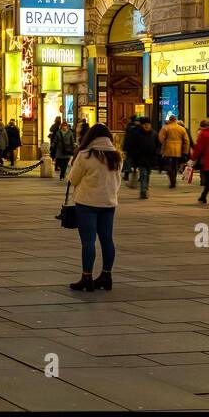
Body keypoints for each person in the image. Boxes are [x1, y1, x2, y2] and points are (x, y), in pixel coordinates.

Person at [67, 124, 121, 292]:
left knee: (88, 241)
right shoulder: (116, 156)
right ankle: (106, 275)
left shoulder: (85, 155)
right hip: (108, 203)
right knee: (107, 240)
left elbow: (73, 179)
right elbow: (117, 181)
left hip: (87, 203)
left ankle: (87, 277)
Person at [123, 116, 159, 200]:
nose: (146, 126)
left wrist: (157, 154)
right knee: (143, 174)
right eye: (145, 124)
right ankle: (143, 191)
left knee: (148, 174)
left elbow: (158, 145)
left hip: (150, 158)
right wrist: (134, 155)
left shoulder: (154, 134)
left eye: (148, 124)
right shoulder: (137, 133)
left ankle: (145, 187)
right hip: (141, 157)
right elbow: (131, 145)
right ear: (142, 125)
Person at [159, 115, 190, 188]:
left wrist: (164, 143)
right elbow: (186, 140)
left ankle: (171, 179)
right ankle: (174, 180)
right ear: (175, 120)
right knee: (175, 166)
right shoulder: (182, 128)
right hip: (178, 150)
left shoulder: (166, 127)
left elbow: (161, 138)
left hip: (168, 149)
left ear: (170, 120)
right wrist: (185, 150)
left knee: (168, 165)